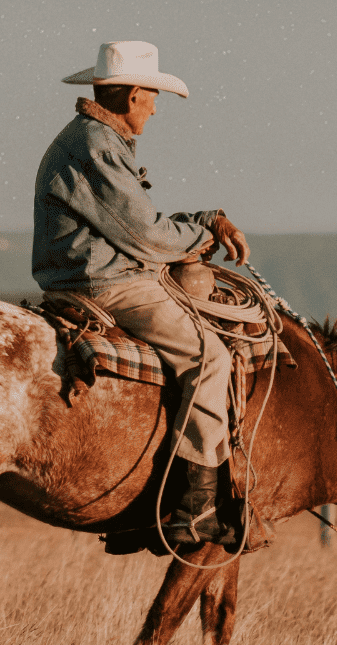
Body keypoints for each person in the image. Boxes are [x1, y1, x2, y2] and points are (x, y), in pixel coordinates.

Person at [33, 40, 251, 547]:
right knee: (210, 359)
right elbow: (146, 237)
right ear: (133, 95)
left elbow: (135, 222)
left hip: (96, 275)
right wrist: (203, 237)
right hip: (108, 283)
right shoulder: (96, 145)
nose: (155, 108)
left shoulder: (91, 141)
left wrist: (204, 220)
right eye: (152, 96)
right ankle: (194, 510)